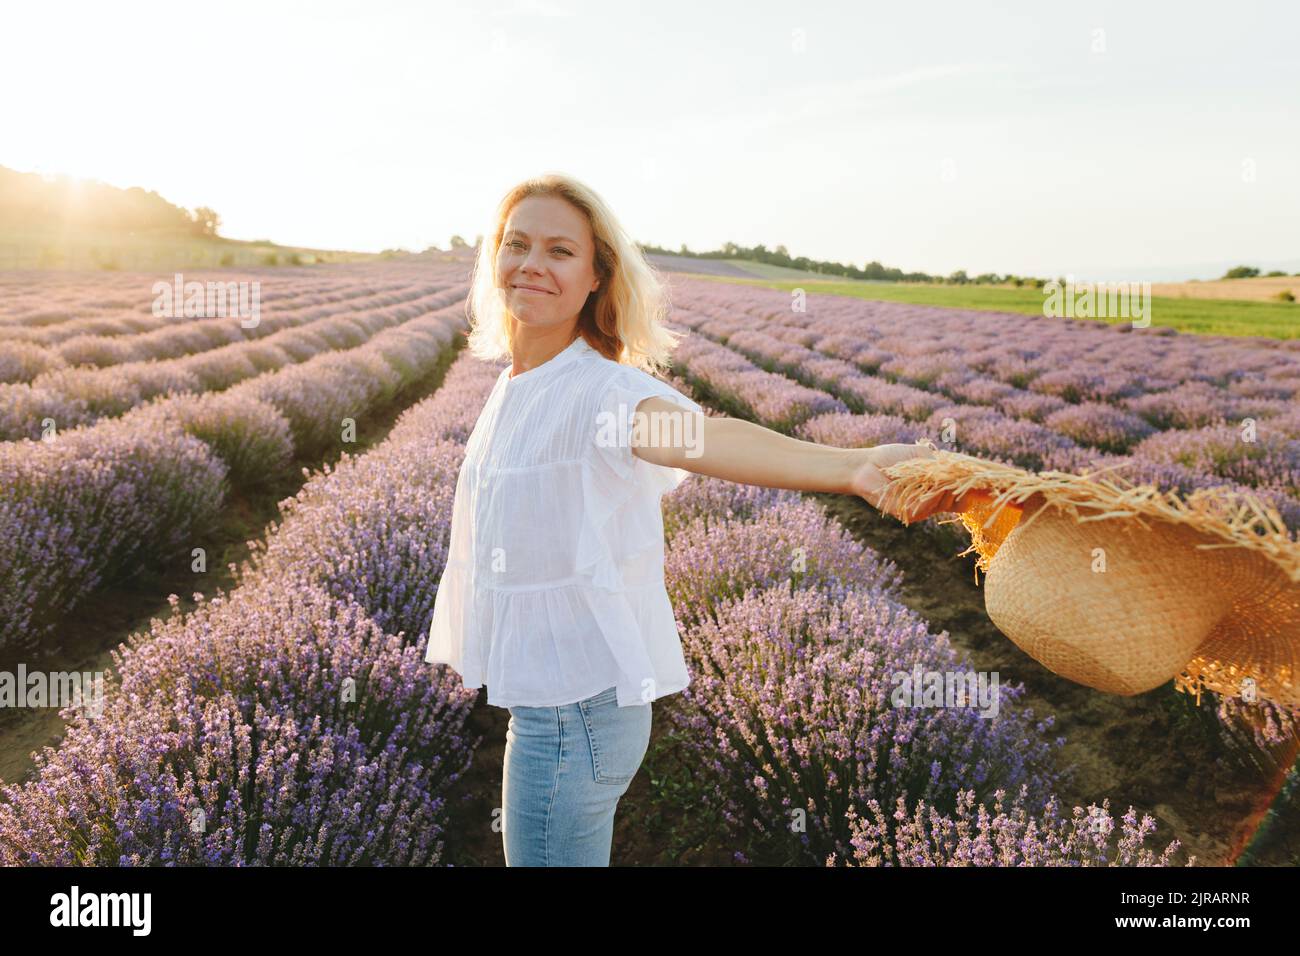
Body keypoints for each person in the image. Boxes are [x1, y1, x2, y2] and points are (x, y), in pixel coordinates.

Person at [424, 172, 959, 867]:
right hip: (555, 703)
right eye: (516, 243)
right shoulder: (518, 382)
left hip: (576, 714)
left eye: (559, 250)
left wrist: (849, 468)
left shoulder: (602, 391)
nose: (530, 263)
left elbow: (710, 437)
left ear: (595, 277)